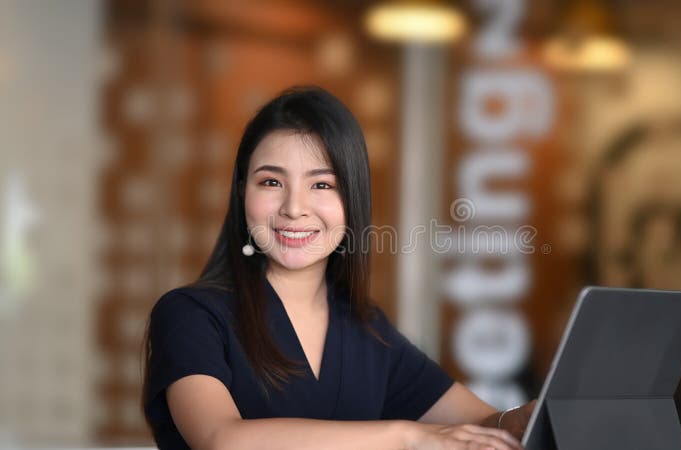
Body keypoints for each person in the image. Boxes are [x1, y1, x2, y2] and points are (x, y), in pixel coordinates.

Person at [141, 86, 535, 449]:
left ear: (352, 200)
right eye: (271, 182)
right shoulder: (190, 315)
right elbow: (221, 440)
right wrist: (407, 437)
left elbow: (482, 424)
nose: (294, 208)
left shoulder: (364, 328)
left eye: (322, 185)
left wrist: (529, 418)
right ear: (243, 192)